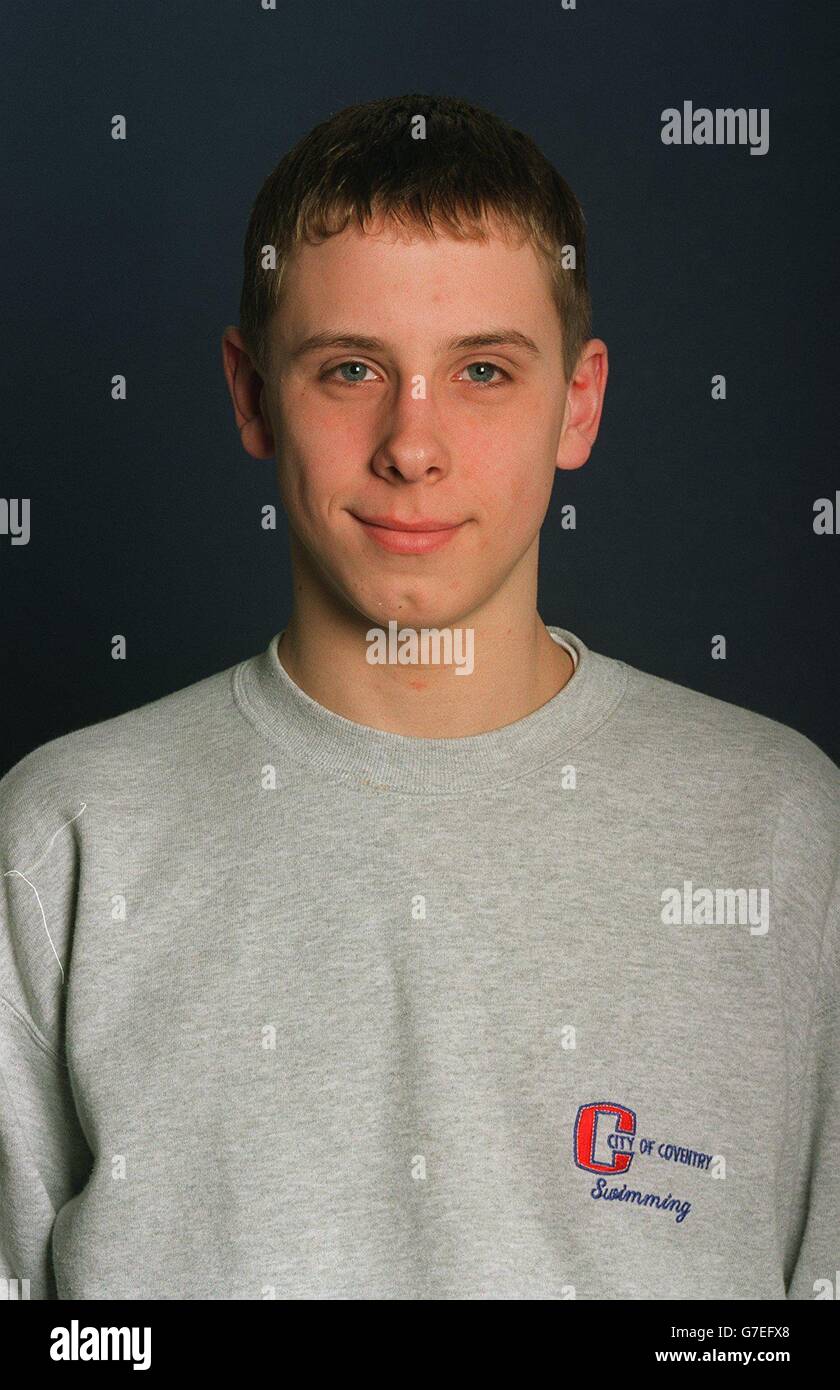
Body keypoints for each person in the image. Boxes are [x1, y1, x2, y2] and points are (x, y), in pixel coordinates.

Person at [1, 93, 837, 1301]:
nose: (412, 443)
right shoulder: (62, 841)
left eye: (484, 370)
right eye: (350, 369)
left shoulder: (787, 837)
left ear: (581, 402)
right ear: (249, 394)